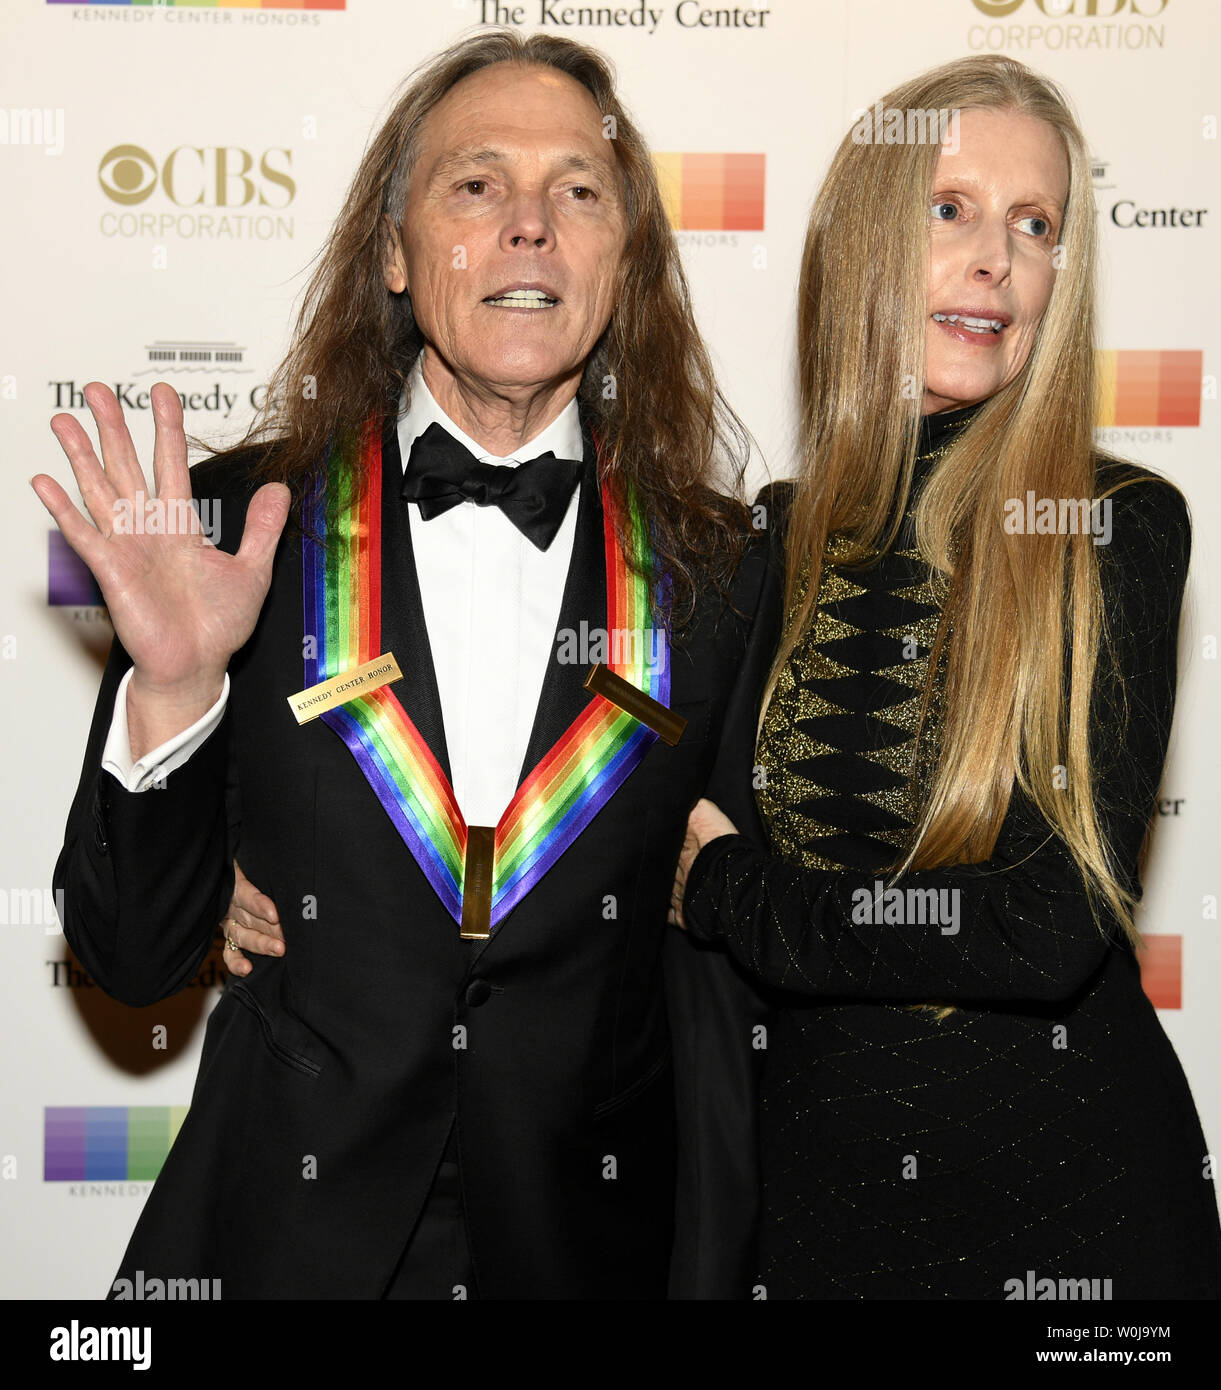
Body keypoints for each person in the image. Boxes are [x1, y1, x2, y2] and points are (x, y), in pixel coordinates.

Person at [35, 31, 780, 1300]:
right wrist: (175, 691)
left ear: (624, 262)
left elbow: (729, 965)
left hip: (593, 1248)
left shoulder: (724, 569)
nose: (531, 227)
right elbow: (133, 955)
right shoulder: (238, 524)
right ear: (392, 251)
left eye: (579, 192)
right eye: (476, 184)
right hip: (283, 1238)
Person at [672, 55, 1221, 1299]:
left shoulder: (1112, 527)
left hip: (1069, 1211)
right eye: (953, 208)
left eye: (1036, 227)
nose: (999, 259)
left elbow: (1041, 932)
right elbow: (599, 795)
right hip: (816, 1210)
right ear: (867, 238)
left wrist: (733, 897)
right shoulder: (774, 535)